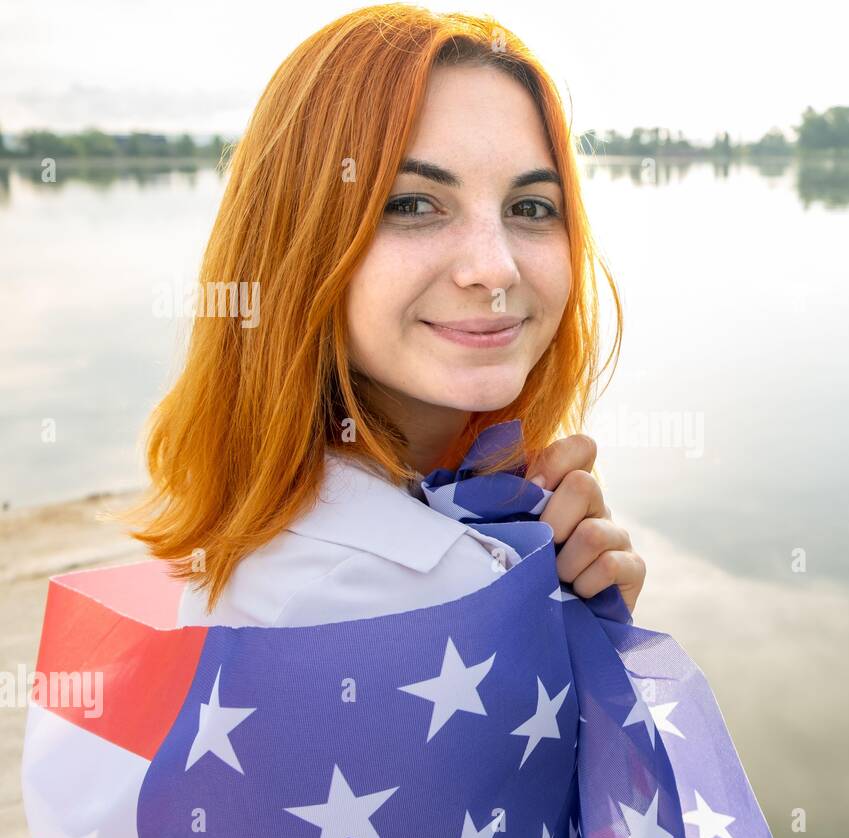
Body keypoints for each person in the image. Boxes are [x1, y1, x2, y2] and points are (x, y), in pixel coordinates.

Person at [116, 5, 646, 627]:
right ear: (294, 238)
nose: (495, 268)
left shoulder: (294, 517)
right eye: (414, 202)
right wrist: (586, 653)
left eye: (529, 207)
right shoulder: (387, 589)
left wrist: (577, 621)